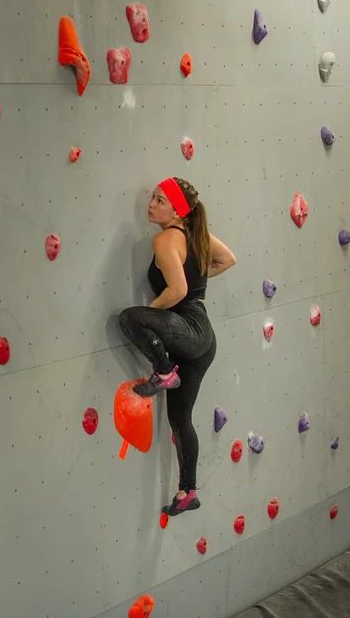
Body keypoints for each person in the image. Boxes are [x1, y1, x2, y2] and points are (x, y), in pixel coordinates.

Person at [119, 178, 236, 516]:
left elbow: (178, 291)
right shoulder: (195, 234)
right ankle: (188, 491)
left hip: (188, 326)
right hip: (203, 338)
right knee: (180, 420)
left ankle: (165, 371)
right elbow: (228, 259)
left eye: (159, 200)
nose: (151, 204)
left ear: (176, 210)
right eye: (152, 198)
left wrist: (150, 316)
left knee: (130, 318)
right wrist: (200, 278)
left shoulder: (165, 238)